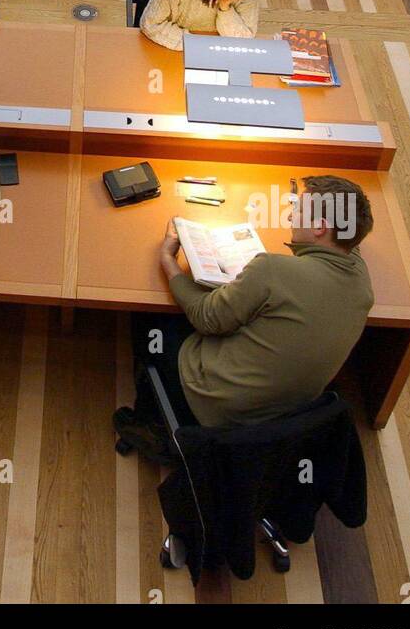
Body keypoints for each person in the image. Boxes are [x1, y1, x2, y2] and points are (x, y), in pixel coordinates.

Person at [116, 177, 375, 455]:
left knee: (150, 314)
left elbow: (206, 317)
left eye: (299, 209)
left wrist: (169, 262)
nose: (290, 214)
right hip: (284, 417)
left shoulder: (272, 269)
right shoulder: (362, 282)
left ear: (320, 228)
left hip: (218, 404)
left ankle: (156, 423)